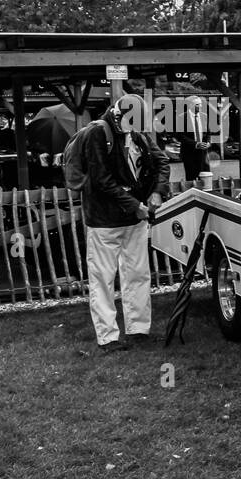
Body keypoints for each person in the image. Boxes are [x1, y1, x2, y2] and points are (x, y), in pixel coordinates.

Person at [83, 93, 169, 353]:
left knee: (138, 274)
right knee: (102, 278)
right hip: (105, 219)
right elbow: (101, 180)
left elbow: (162, 161)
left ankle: (139, 329)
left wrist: (157, 192)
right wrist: (137, 206)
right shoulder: (98, 133)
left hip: (134, 217)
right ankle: (108, 337)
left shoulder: (138, 133)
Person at [178, 95, 211, 181]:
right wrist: (196, 144)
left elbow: (208, 134)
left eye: (200, 104)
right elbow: (181, 136)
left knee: (205, 178)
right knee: (191, 178)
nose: (200, 106)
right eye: (197, 104)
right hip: (189, 153)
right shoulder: (181, 117)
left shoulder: (204, 116)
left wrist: (208, 143)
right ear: (190, 105)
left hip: (203, 153)